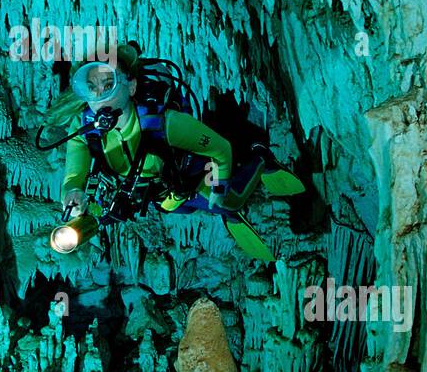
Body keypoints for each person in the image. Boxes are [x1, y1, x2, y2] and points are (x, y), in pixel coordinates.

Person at [56, 44, 303, 261]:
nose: (100, 96)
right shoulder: (83, 129)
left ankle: (259, 155)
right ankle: (215, 204)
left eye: (108, 84)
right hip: (162, 193)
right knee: (182, 208)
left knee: (229, 200)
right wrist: (72, 193)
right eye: (92, 87)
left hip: (190, 175)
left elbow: (220, 149)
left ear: (131, 87)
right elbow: (73, 177)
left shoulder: (166, 123)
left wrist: (218, 188)